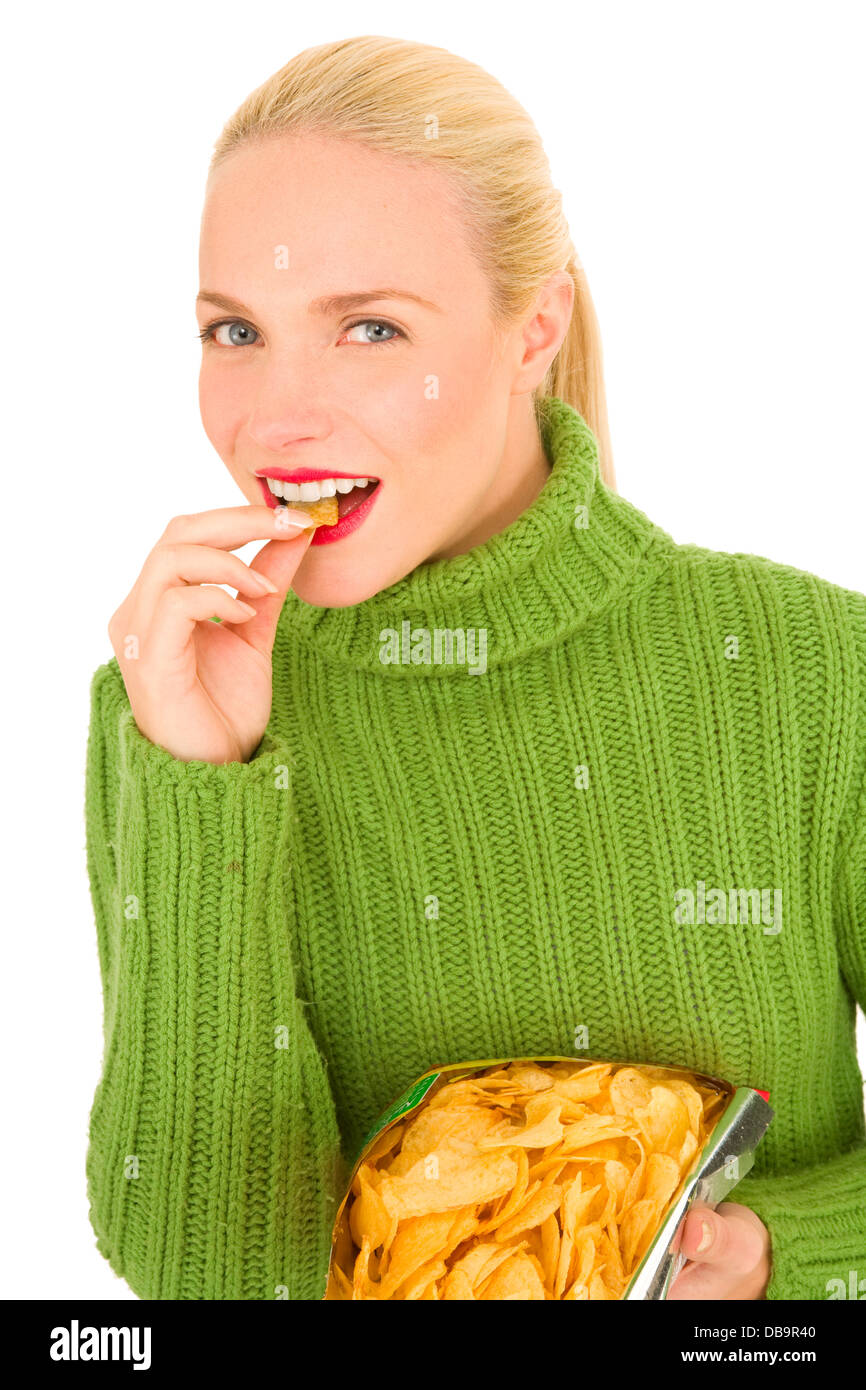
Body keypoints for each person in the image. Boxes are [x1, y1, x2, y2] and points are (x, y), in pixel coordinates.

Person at [84, 35, 866, 1300]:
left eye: (371, 329)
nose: (277, 417)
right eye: (236, 329)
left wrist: (785, 1257)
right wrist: (201, 785)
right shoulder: (167, 708)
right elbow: (207, 1281)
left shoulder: (811, 677)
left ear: (532, 327)